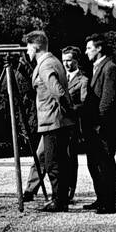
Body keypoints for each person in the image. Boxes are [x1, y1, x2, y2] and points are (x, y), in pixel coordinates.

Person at [25, 31, 76, 212]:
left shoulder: (45, 65)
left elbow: (58, 91)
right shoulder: (53, 61)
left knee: (53, 164)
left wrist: (67, 112)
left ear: (35, 46)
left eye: (28, 47)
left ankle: (58, 201)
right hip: (57, 120)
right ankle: (60, 199)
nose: (27, 51)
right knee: (57, 161)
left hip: (54, 121)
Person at [82, 34, 116, 213]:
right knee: (94, 163)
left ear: (99, 49)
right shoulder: (97, 67)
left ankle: (109, 203)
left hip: (103, 126)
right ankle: (101, 198)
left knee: (105, 163)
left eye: (89, 48)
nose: (86, 51)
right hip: (94, 125)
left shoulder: (109, 67)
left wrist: (99, 123)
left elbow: (107, 99)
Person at [62, 45, 89, 204]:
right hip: (57, 123)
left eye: (69, 60)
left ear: (77, 61)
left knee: (70, 158)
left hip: (72, 124)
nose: (66, 64)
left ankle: (70, 190)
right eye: (64, 60)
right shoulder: (59, 77)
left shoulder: (83, 80)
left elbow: (85, 104)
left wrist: (71, 108)